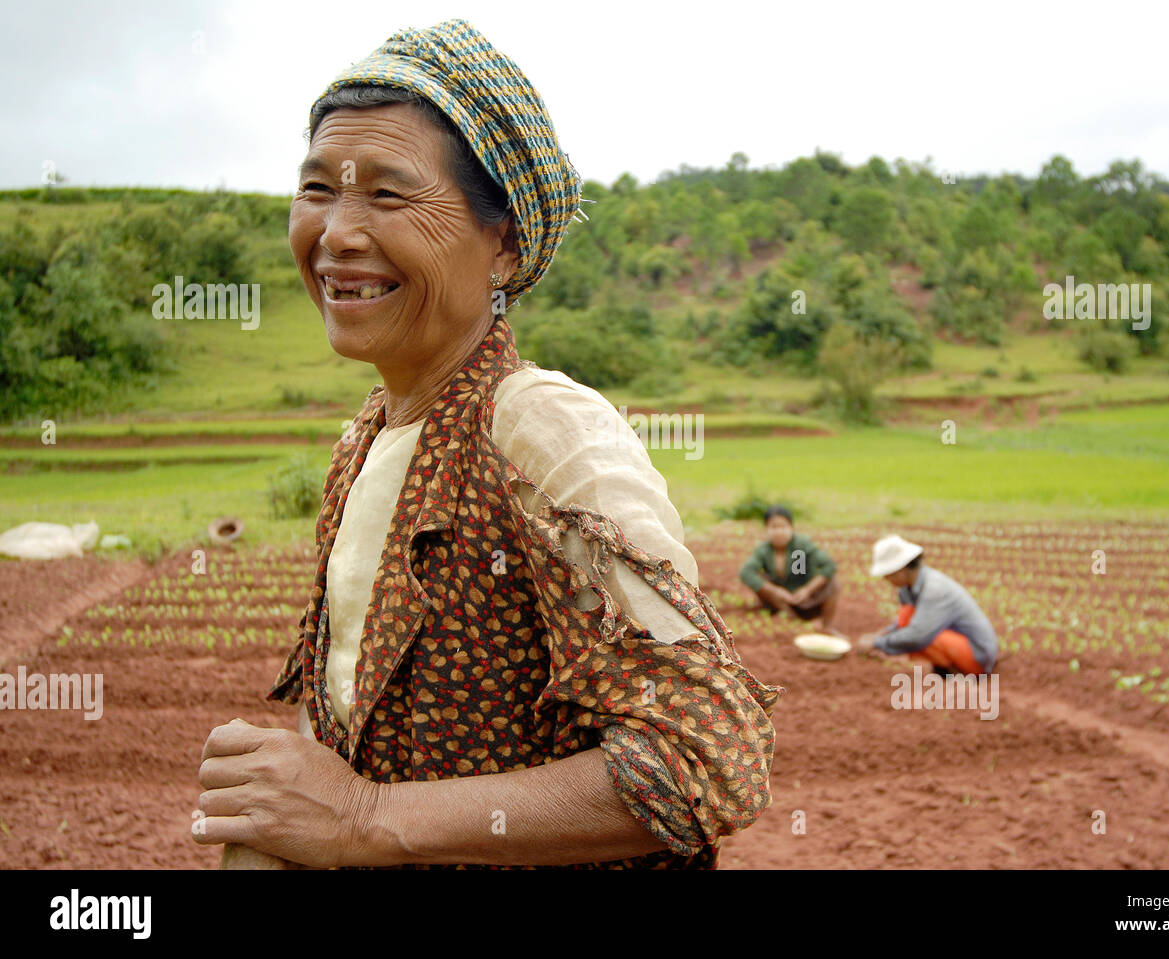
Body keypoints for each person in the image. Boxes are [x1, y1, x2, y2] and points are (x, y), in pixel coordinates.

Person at [194, 20, 781, 871]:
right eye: (317, 188)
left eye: (389, 196)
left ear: (501, 244)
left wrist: (364, 814)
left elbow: (706, 757)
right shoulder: (366, 439)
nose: (338, 233)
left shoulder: (542, 429)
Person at [857, 534, 997, 676]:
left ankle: (961, 671)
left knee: (916, 631)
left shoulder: (934, 589)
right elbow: (901, 623)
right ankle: (946, 668)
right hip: (962, 643)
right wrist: (879, 636)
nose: (885, 579)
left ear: (899, 571)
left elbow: (918, 636)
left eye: (887, 574)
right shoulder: (910, 588)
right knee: (906, 616)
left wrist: (877, 643)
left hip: (978, 656)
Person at [739, 505, 843, 637]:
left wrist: (807, 590)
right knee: (760, 578)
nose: (779, 532)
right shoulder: (764, 550)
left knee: (833, 583)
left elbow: (829, 566)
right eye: (774, 527)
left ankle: (827, 626)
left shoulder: (802, 544)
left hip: (808, 598)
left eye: (782, 527)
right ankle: (792, 619)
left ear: (791, 528)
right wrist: (777, 591)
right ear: (766, 530)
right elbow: (746, 572)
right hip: (781, 601)